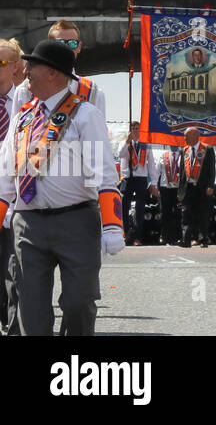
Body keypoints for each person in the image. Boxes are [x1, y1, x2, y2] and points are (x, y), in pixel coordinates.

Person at [0, 40, 124, 335]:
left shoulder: (85, 115)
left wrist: (112, 226)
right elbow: (5, 180)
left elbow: (105, 177)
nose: (26, 72)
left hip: (76, 221)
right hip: (27, 225)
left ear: (53, 72)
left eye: (34, 66)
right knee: (30, 309)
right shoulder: (22, 119)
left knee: (80, 303)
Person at [0, 38, 24, 333]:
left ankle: (16, 326)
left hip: (17, 200)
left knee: (16, 271)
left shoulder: (28, 101)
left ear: (17, 67)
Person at [116, 121, 159, 245]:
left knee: (140, 208)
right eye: (133, 128)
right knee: (125, 207)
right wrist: (127, 142)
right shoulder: (124, 143)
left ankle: (137, 236)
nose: (135, 130)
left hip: (141, 178)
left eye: (137, 128)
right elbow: (120, 154)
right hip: (127, 178)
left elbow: (151, 164)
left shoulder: (146, 144)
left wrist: (153, 183)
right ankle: (125, 233)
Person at [177, 128, 216, 248]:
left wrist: (210, 185)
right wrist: (180, 191)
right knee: (186, 214)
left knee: (202, 214)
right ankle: (186, 239)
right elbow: (182, 172)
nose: (184, 138)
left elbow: (211, 169)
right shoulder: (185, 150)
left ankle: (203, 238)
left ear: (195, 135)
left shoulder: (207, 149)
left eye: (186, 136)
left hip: (202, 187)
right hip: (188, 188)